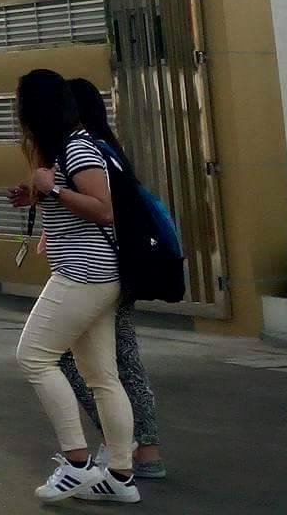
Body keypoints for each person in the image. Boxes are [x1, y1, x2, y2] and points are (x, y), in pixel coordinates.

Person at [10, 68, 140, 504]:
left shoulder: (76, 147)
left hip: (84, 274)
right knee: (102, 376)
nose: (16, 109)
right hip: (99, 276)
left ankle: (77, 462)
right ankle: (120, 476)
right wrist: (36, 194)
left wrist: (54, 191)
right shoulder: (64, 148)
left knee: (33, 357)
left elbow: (104, 209)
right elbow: (75, 199)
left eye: (20, 100)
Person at [56, 79, 167, 481]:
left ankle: (124, 443)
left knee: (73, 359)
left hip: (103, 272)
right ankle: (144, 451)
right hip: (122, 268)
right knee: (122, 360)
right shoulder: (110, 151)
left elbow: (102, 212)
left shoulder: (85, 152)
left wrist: (54, 193)